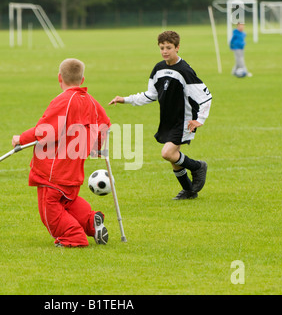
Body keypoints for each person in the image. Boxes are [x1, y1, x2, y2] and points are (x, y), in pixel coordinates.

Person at [12, 58, 111, 247]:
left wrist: (21, 139)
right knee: (68, 201)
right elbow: (104, 123)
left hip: (53, 171)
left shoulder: (63, 101)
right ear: (82, 80)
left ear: (59, 78)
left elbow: (45, 130)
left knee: (49, 211)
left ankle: (73, 236)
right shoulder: (90, 101)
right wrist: (97, 146)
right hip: (73, 170)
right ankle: (91, 222)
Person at [109, 31, 211, 200]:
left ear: (177, 48)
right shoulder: (158, 68)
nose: (165, 51)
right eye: (162, 48)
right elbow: (151, 95)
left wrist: (199, 119)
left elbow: (205, 96)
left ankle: (198, 166)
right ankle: (189, 191)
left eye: (169, 47)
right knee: (174, 158)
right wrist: (125, 100)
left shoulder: (185, 70)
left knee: (168, 153)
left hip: (184, 120)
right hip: (167, 119)